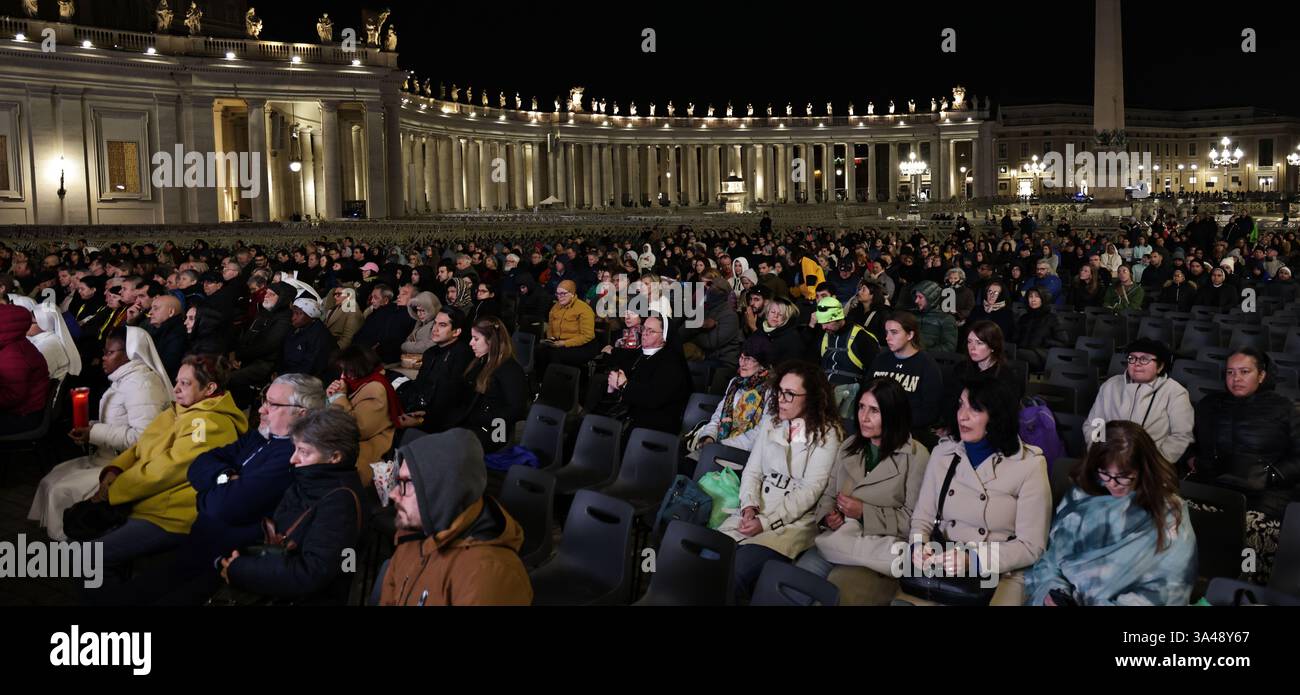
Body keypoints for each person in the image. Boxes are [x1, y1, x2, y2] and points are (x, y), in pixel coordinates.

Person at [92, 355, 248, 584]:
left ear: (210, 388)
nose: (175, 389)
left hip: (170, 515)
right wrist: (114, 471)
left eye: (185, 383)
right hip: (146, 501)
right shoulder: (179, 410)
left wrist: (115, 490)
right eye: (177, 381)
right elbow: (139, 447)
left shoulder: (206, 423)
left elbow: (169, 469)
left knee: (91, 558)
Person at [901, 379, 1051, 606]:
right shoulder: (943, 453)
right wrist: (918, 545)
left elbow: (1031, 546)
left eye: (975, 409)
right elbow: (922, 518)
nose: (962, 416)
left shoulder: (1029, 465)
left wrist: (974, 560)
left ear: (997, 415)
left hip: (1000, 570)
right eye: (961, 405)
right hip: (942, 560)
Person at [1025, 421, 1196, 606]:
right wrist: (1054, 591)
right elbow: (1051, 560)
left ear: (1143, 470)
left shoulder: (1168, 512)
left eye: (1123, 476)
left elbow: (1171, 585)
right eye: (1105, 473)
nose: (1112, 483)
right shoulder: (1079, 497)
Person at [796, 377, 931, 605]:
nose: (864, 417)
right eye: (861, 407)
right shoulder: (850, 445)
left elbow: (913, 521)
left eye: (874, 411)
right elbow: (828, 495)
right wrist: (829, 517)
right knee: (792, 588)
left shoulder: (917, 457)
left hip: (875, 553)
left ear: (893, 414)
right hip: (836, 540)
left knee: (838, 594)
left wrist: (864, 513)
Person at [28, 328, 171, 541]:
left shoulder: (143, 384)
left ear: (130, 353)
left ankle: (71, 545)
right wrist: (89, 429)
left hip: (124, 465)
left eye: (109, 353)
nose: (103, 358)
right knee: (52, 478)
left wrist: (94, 432)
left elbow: (143, 438)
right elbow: (118, 423)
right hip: (105, 457)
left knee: (60, 490)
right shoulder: (125, 379)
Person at [717, 361, 841, 603]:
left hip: (791, 523)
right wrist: (749, 506)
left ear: (812, 398)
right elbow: (752, 471)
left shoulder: (828, 433)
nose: (782, 399)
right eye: (780, 392)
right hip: (757, 510)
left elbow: (810, 491)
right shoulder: (772, 421)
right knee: (711, 557)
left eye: (790, 394)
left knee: (737, 571)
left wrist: (765, 522)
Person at [219, 407, 364, 604]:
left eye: (303, 451)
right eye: (295, 448)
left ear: (335, 457)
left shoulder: (340, 502)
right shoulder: (310, 480)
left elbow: (312, 573)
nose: (292, 458)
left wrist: (240, 570)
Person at [379, 428, 533, 605]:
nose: (394, 494)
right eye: (398, 482)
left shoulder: (490, 576)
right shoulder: (412, 537)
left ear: (441, 493)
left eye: (409, 483)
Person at [1191, 349, 1300, 584]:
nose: (1236, 378)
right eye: (1230, 372)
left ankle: (1244, 590)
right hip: (1216, 489)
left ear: (1261, 375)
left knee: (1248, 537)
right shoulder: (1210, 405)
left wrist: (1271, 475)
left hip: (1265, 494)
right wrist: (1197, 460)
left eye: (1244, 372)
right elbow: (1196, 445)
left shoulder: (1285, 408)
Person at [1084, 338, 1194, 464]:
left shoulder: (1175, 392)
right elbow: (1094, 423)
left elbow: (1181, 436)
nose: (1137, 363)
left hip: (1150, 466)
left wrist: (1155, 463)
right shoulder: (1111, 385)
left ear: (1160, 366)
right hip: (1107, 461)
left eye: (1145, 359)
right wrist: (1100, 453)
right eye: (1132, 358)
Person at [604, 314, 693, 435]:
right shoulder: (642, 354)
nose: (645, 333)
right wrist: (613, 386)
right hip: (631, 412)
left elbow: (654, 397)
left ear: (664, 336)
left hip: (656, 421)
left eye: (651, 331)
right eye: (644, 329)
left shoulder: (672, 363)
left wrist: (624, 385)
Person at [326, 345, 402, 486]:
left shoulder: (375, 388)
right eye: (342, 370)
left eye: (347, 371)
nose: (343, 376)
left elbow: (357, 429)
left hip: (369, 444)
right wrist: (331, 398)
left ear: (359, 368)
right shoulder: (357, 383)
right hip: (350, 438)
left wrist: (339, 397)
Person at [867, 312, 944, 447]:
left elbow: (931, 410)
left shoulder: (926, 364)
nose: (887, 338)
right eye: (886, 332)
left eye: (894, 332)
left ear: (910, 335)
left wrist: (896, 421)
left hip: (910, 433)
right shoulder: (881, 360)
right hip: (877, 427)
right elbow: (866, 393)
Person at [689, 335, 772, 455]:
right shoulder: (735, 383)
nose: (742, 363)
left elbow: (758, 434)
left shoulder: (770, 391)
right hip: (717, 445)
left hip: (742, 453)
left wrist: (721, 445)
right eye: (741, 357)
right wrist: (709, 437)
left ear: (762, 364)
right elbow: (718, 416)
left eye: (748, 359)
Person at [938, 320, 1020, 438]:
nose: (972, 348)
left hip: (989, 435)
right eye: (969, 342)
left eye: (979, 343)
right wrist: (951, 427)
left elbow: (1004, 417)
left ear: (992, 346)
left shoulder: (1005, 377)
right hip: (957, 429)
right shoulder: (961, 369)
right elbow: (949, 402)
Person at [457, 317, 528, 452]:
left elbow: (516, 410)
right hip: (478, 424)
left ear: (491, 341)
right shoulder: (481, 361)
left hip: (497, 432)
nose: (471, 343)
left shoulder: (510, 369)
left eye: (476, 339)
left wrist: (478, 419)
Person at [227, 281, 294, 409]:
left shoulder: (284, 319)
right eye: (266, 292)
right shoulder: (265, 312)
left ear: (282, 298)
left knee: (233, 379)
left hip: (267, 363)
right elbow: (248, 335)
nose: (266, 296)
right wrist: (236, 354)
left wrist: (241, 356)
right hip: (251, 357)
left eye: (271, 294)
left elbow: (267, 346)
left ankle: (240, 411)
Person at [0, 303, 50, 435]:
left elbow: (13, 396)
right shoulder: (15, 342)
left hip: (25, 416)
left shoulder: (12, 354)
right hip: (26, 409)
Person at [351, 284, 416, 364]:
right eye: (399, 293)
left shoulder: (408, 316)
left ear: (414, 298)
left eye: (404, 293)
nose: (399, 296)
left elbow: (389, 341)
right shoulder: (387, 309)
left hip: (374, 357)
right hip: (360, 351)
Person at [1012, 287, 1070, 373]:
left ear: (1043, 299)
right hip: (1022, 352)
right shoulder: (1024, 318)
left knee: (1017, 354)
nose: (1033, 300)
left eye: (1037, 297)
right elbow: (1015, 338)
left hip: (1041, 355)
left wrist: (1046, 342)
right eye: (1030, 296)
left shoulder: (1052, 318)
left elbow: (1064, 343)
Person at [281, 298, 337, 378]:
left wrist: (283, 376)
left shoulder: (320, 337)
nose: (293, 317)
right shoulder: (296, 327)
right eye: (293, 313)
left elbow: (310, 367)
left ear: (311, 315)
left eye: (298, 314)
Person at [144, 295, 186, 379]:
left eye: (156, 308)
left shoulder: (178, 335)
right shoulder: (157, 330)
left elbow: (165, 368)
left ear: (171, 312)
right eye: (151, 308)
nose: (150, 312)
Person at [909, 280, 957, 353]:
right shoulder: (912, 315)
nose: (916, 301)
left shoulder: (946, 319)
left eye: (920, 297)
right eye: (916, 296)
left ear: (931, 298)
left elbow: (949, 347)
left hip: (931, 361)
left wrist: (924, 352)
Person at [399, 291, 442, 356]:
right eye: (417, 310)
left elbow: (429, 346)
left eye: (422, 310)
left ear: (431, 309)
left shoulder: (438, 323)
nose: (419, 314)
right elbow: (408, 339)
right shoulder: (419, 322)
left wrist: (406, 346)